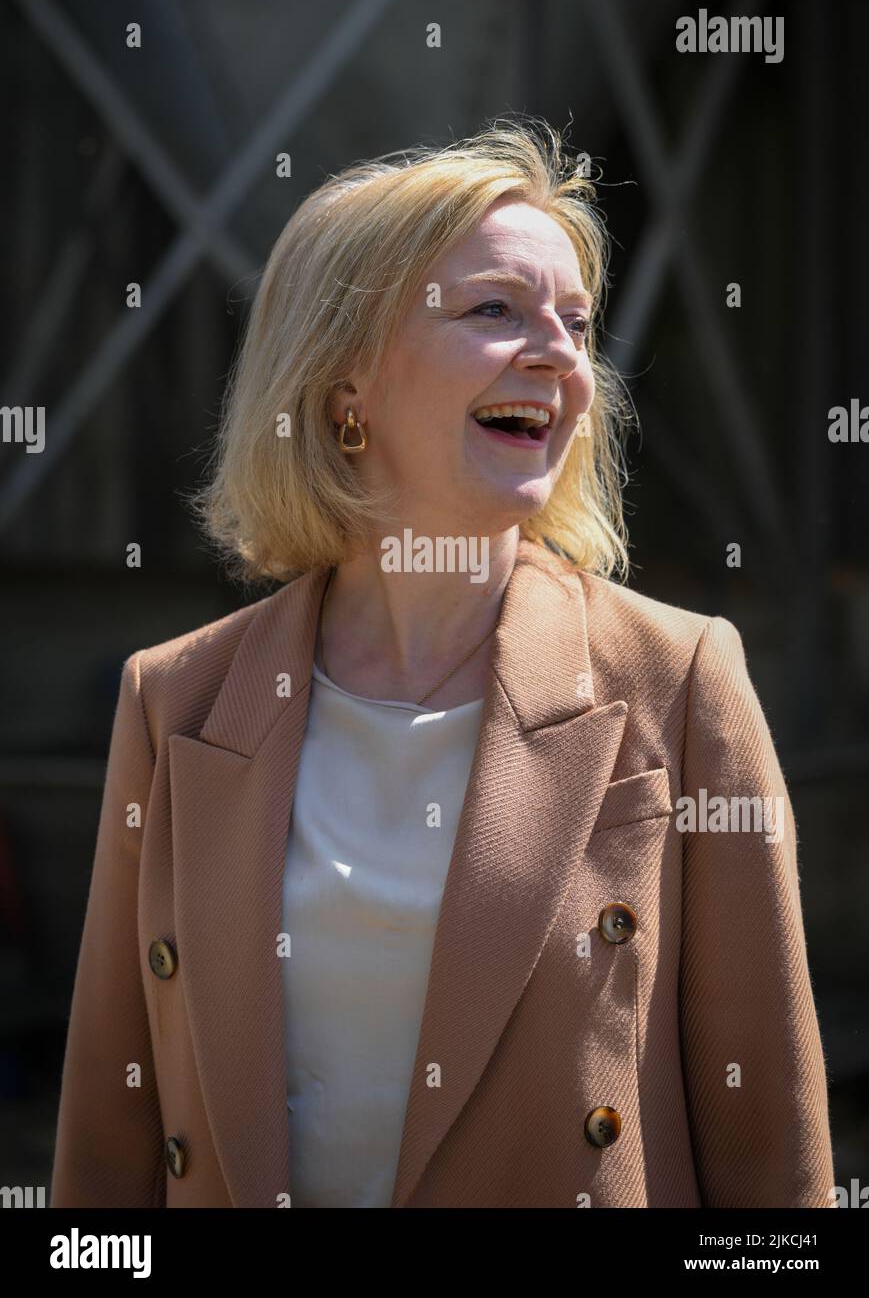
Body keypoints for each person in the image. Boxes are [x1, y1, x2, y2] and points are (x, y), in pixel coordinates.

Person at [50, 119, 835, 1208]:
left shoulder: (684, 679)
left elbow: (772, 1161)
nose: (561, 355)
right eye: (493, 312)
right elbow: (108, 1136)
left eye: (573, 321)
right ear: (344, 390)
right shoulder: (176, 697)